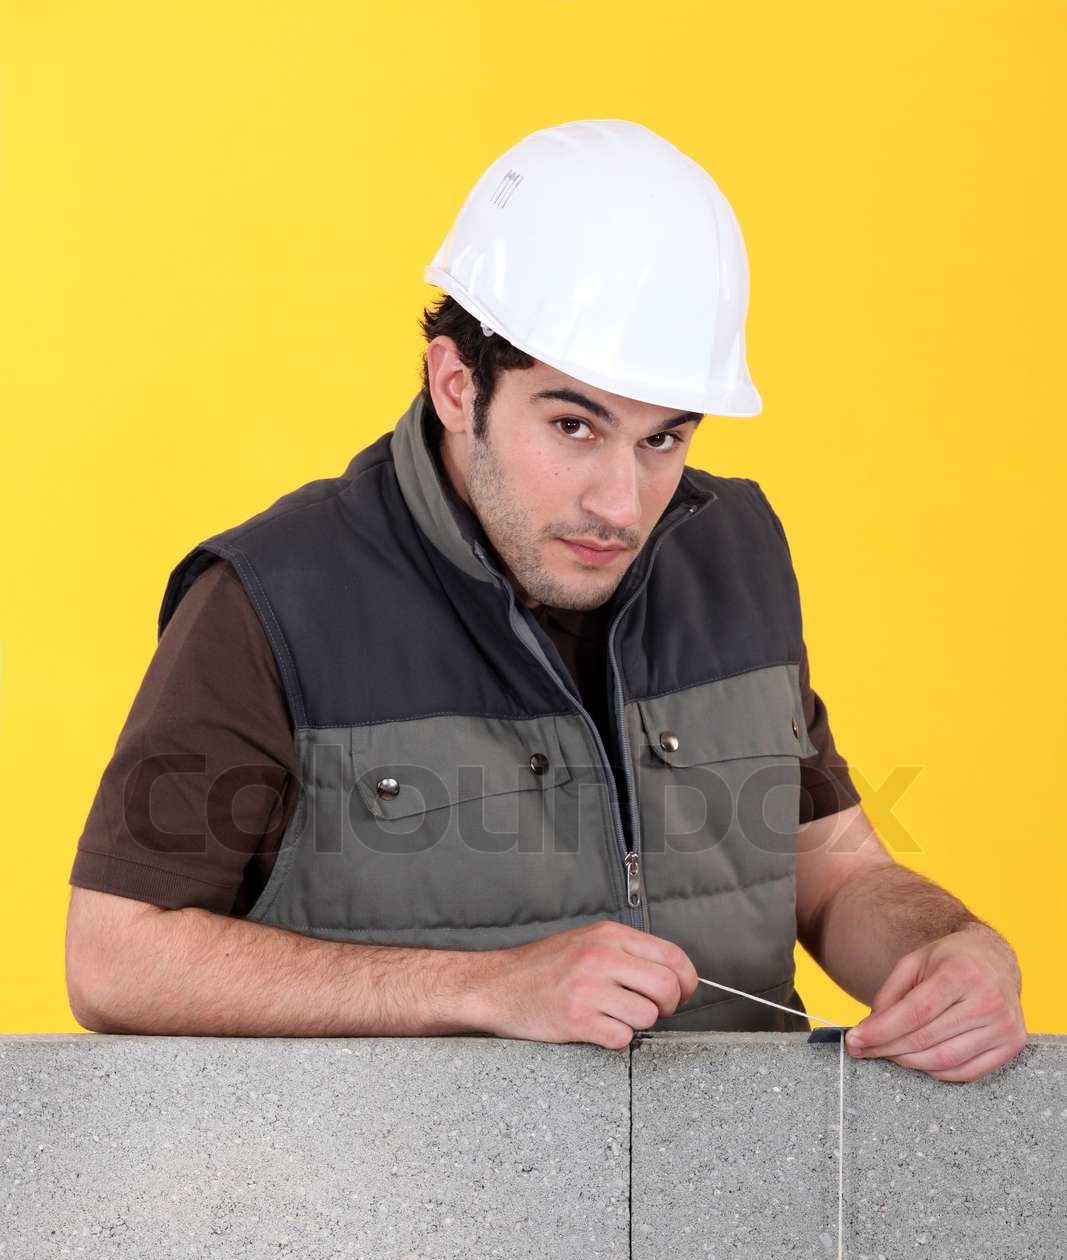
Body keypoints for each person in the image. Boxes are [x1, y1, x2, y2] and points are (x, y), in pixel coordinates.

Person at [65, 118, 1026, 1080]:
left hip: (740, 1201)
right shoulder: (274, 599)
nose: (621, 503)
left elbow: (829, 871)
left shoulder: (733, 553)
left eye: (664, 439)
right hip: (385, 1213)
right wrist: (480, 988)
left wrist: (946, 950)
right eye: (574, 425)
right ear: (456, 384)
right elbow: (114, 955)